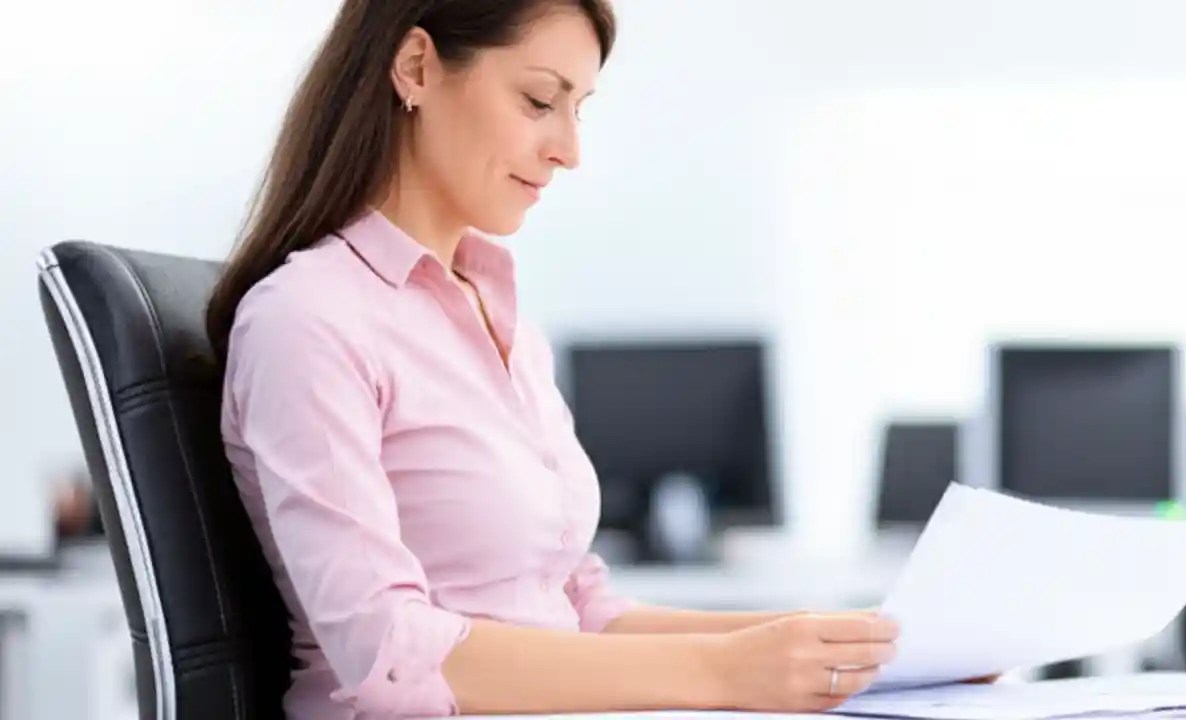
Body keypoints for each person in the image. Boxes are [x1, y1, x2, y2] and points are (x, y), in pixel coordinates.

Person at [206, 1, 898, 717]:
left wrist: (843, 651)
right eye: (540, 101)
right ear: (416, 68)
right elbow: (386, 652)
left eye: (579, 110)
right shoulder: (309, 317)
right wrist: (722, 672)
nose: (569, 149)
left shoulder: (501, 320)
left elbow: (579, 608)